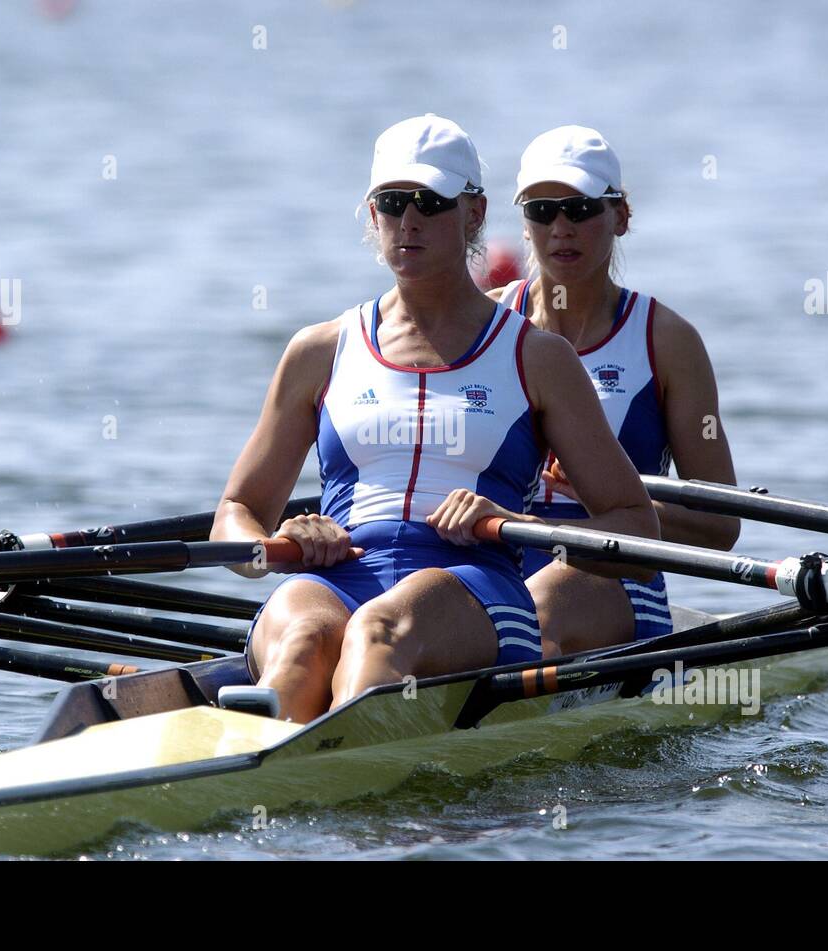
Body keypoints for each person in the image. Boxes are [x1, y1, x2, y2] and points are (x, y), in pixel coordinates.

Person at [212, 115, 661, 722]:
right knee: (301, 644)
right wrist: (271, 546)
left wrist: (516, 522)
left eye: (430, 202)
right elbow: (234, 516)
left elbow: (636, 532)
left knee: (376, 633)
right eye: (392, 203)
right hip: (338, 575)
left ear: (473, 213)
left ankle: (331, 786)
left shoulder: (537, 357)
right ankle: (267, 784)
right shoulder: (318, 351)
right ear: (373, 216)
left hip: (473, 584)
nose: (409, 221)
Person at [490, 125, 739, 656]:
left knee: (535, 611)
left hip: (614, 572)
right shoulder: (481, 327)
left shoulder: (667, 343)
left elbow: (720, 528)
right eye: (541, 210)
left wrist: (604, 493)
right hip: (497, 562)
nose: (560, 228)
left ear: (620, 216)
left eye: (580, 210)